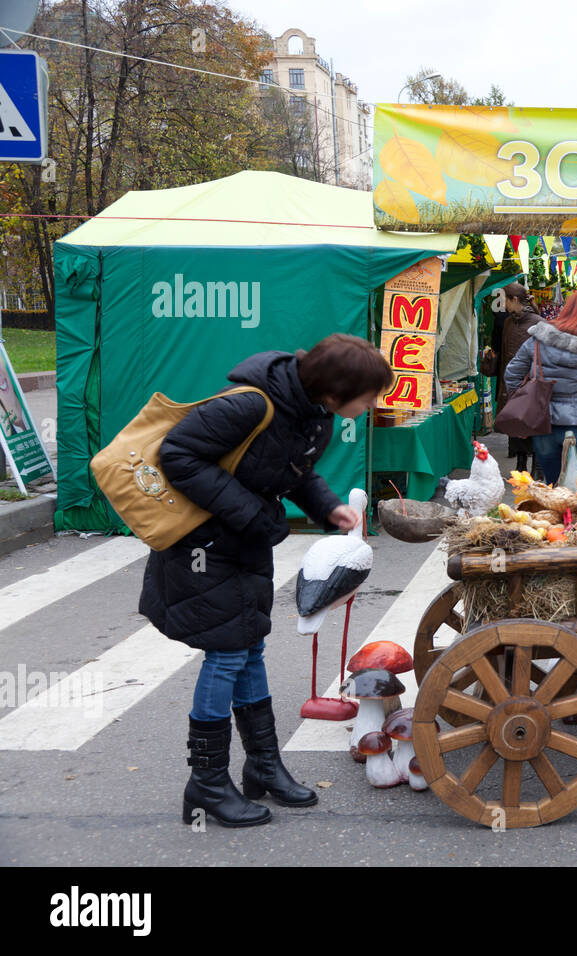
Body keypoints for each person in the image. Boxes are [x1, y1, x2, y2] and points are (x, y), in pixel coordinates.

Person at [138, 334, 392, 828]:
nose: (370, 406)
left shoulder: (312, 410)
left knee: (249, 646)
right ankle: (207, 782)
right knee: (228, 652)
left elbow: (293, 472)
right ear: (338, 390)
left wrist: (327, 506)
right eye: (367, 397)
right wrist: (253, 514)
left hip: (244, 541)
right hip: (203, 547)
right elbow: (178, 456)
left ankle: (262, 765)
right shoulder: (251, 405)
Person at [504, 289, 577, 483]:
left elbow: (512, 372)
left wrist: (521, 403)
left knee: (554, 487)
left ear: (567, 309)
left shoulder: (539, 338)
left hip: (543, 421)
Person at [497, 282, 542, 473]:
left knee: (534, 426)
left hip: (533, 385)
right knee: (516, 426)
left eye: (505, 300)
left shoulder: (539, 323)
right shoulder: (507, 322)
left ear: (514, 299)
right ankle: (521, 467)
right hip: (510, 383)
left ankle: (538, 469)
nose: (504, 305)